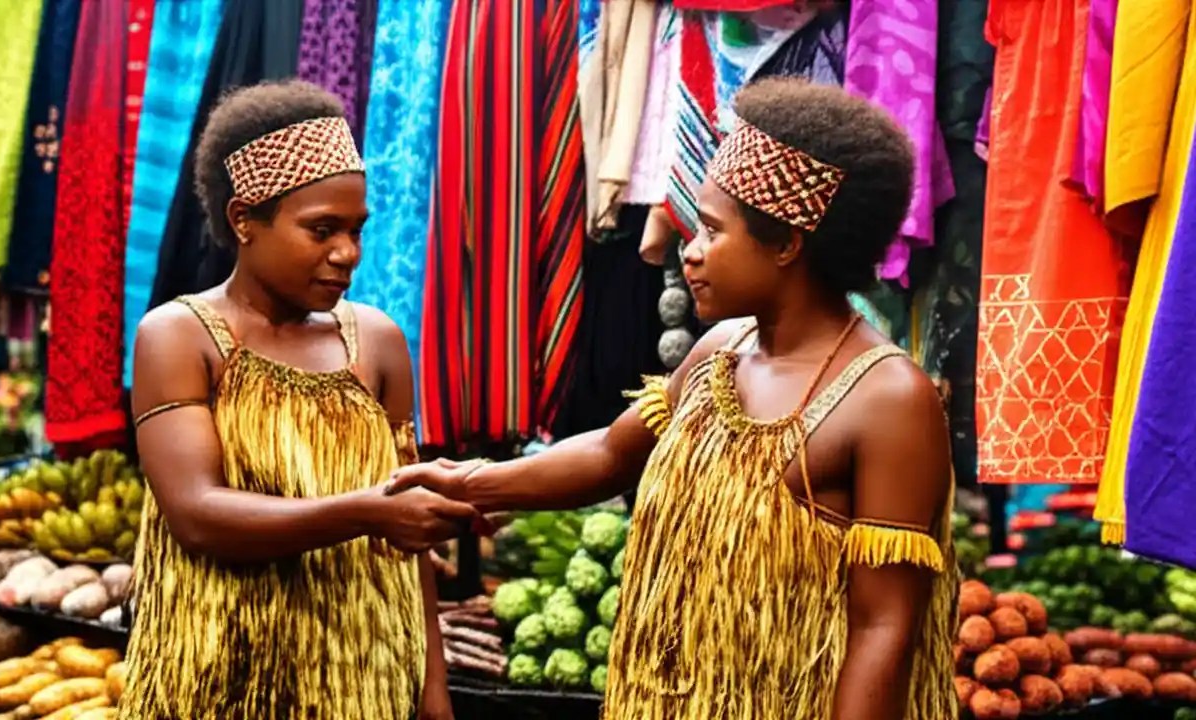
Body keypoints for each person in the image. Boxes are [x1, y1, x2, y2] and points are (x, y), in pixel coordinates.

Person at [389, 78, 957, 719]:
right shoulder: (719, 350)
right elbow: (608, 453)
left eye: (712, 231)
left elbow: (883, 629)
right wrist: (467, 485)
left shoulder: (887, 398)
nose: (689, 253)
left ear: (787, 245)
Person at [124, 80, 471, 720]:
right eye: (321, 230)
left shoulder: (378, 343)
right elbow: (196, 514)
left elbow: (408, 531)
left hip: (364, 679)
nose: (348, 254)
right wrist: (366, 512)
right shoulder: (179, 338)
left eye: (356, 230)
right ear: (243, 221)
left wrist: (433, 691)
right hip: (223, 679)